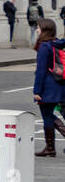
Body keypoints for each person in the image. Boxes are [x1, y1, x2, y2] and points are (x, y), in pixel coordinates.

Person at [31, 18, 65, 156]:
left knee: (47, 116)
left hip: (48, 87)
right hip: (60, 84)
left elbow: (41, 70)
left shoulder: (44, 46)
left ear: (44, 29)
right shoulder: (56, 43)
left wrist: (37, 90)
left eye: (38, 27)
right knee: (50, 115)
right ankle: (50, 148)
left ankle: (50, 148)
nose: (37, 30)